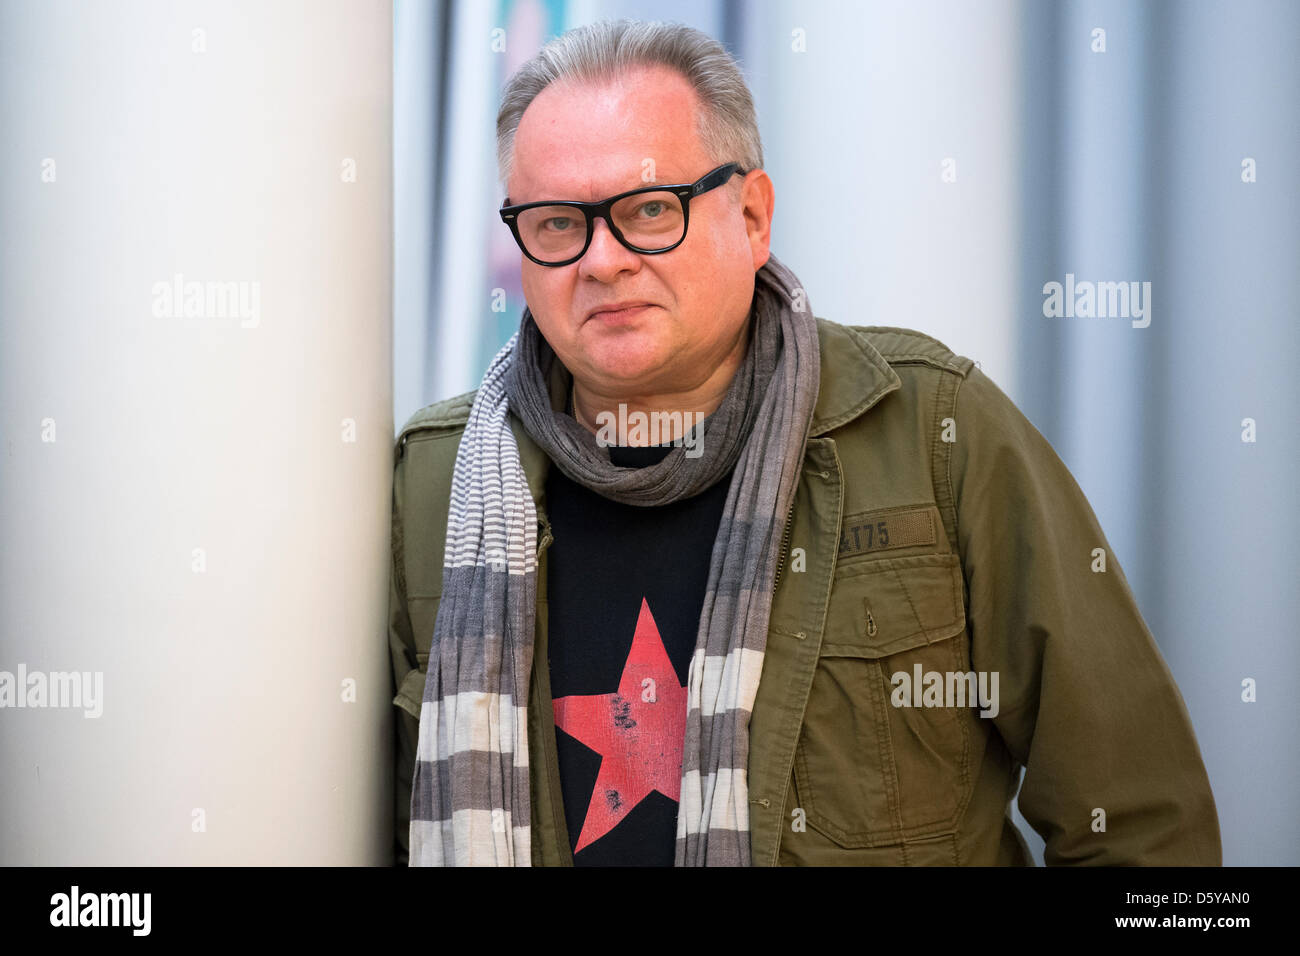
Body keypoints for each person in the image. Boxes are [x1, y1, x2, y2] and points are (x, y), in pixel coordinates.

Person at [388, 18, 1221, 866]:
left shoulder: (935, 432)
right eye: (559, 223)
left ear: (752, 217)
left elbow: (1148, 832)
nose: (603, 260)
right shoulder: (435, 481)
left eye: (648, 210)